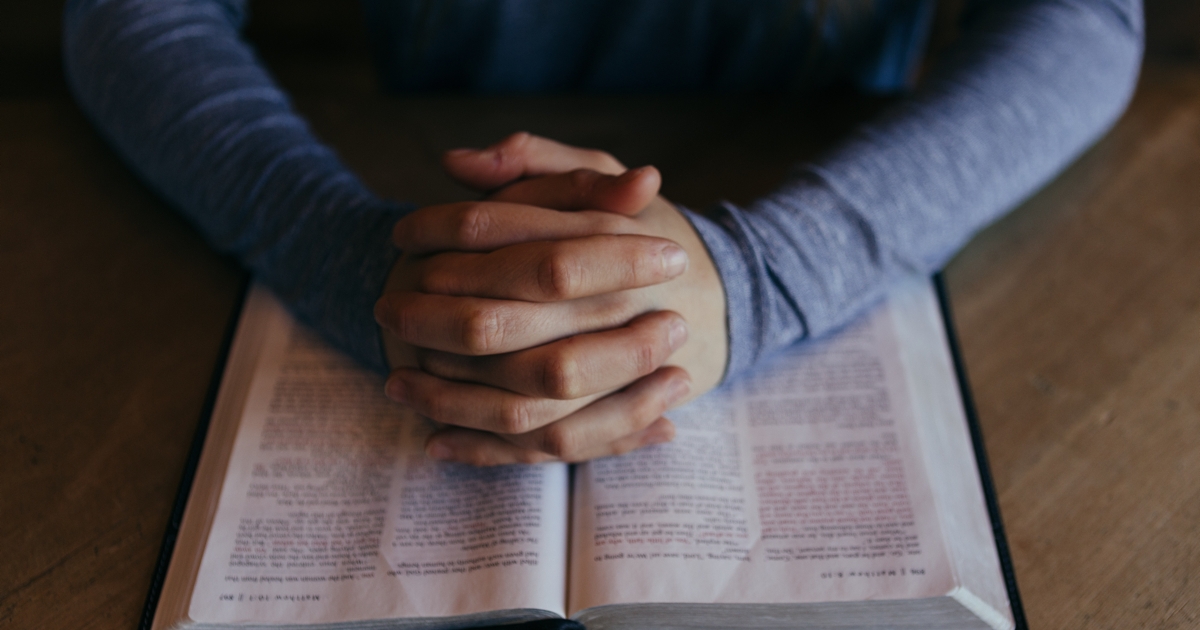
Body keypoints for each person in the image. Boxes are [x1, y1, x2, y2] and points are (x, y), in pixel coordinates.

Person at [63, 0, 1144, 465]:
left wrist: (761, 277)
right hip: (421, 191)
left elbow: (1088, 18)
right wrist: (356, 258)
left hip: (815, 181)